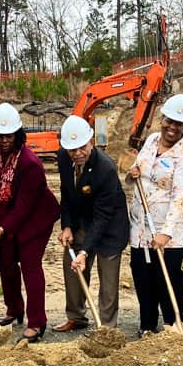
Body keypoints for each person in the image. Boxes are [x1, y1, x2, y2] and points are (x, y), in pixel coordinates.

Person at [0, 103, 60, 342]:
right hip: (7, 218)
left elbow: (24, 206)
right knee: (5, 263)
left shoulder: (30, 163)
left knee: (29, 264)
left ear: (18, 135)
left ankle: (37, 322)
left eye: (9, 135)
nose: (4, 140)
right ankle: (14, 309)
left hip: (35, 220)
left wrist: (1, 231)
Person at [127, 93, 183, 337]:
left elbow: (182, 199)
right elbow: (136, 172)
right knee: (142, 274)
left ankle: (172, 323)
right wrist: (133, 172)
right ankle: (147, 324)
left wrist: (165, 234)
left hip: (170, 231)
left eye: (178, 123)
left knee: (166, 275)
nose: (172, 127)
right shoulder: (151, 141)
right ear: (163, 119)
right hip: (141, 227)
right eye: (169, 121)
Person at [54, 115, 129, 331]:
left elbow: (103, 217)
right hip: (82, 220)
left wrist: (85, 252)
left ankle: (106, 327)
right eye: (71, 149)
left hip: (110, 226)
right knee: (73, 267)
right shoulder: (63, 157)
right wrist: (67, 225)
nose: (77, 153)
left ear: (91, 141)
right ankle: (76, 317)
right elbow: (67, 193)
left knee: (108, 279)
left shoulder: (105, 168)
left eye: (82, 147)